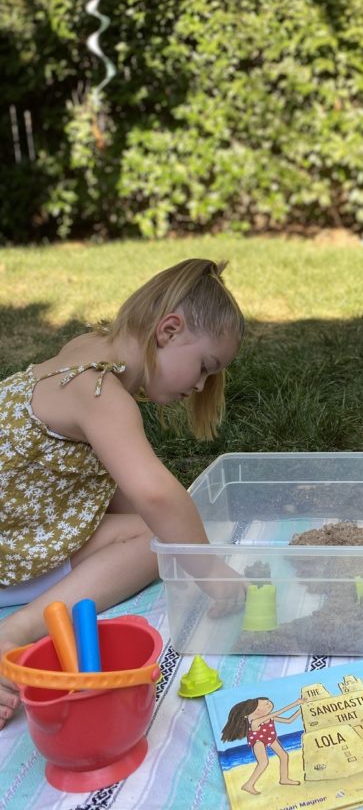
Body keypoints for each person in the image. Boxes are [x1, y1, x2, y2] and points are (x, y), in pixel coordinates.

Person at [0, 258, 246, 727]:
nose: (201, 385)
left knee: (161, 534)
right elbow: (155, 495)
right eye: (204, 367)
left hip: (17, 524)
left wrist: (178, 533)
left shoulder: (87, 349)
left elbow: (104, 480)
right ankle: (19, 628)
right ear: (169, 330)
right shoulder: (100, 393)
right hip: (9, 550)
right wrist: (210, 570)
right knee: (158, 543)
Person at [220, 695, 304, 795]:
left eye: (268, 702)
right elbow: (278, 712)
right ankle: (248, 785)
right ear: (253, 712)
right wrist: (296, 703)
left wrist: (301, 709)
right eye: (263, 706)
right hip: (258, 741)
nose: (268, 705)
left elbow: (289, 720)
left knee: (284, 755)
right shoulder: (255, 722)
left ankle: (284, 779)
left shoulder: (270, 717)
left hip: (270, 737)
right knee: (263, 762)